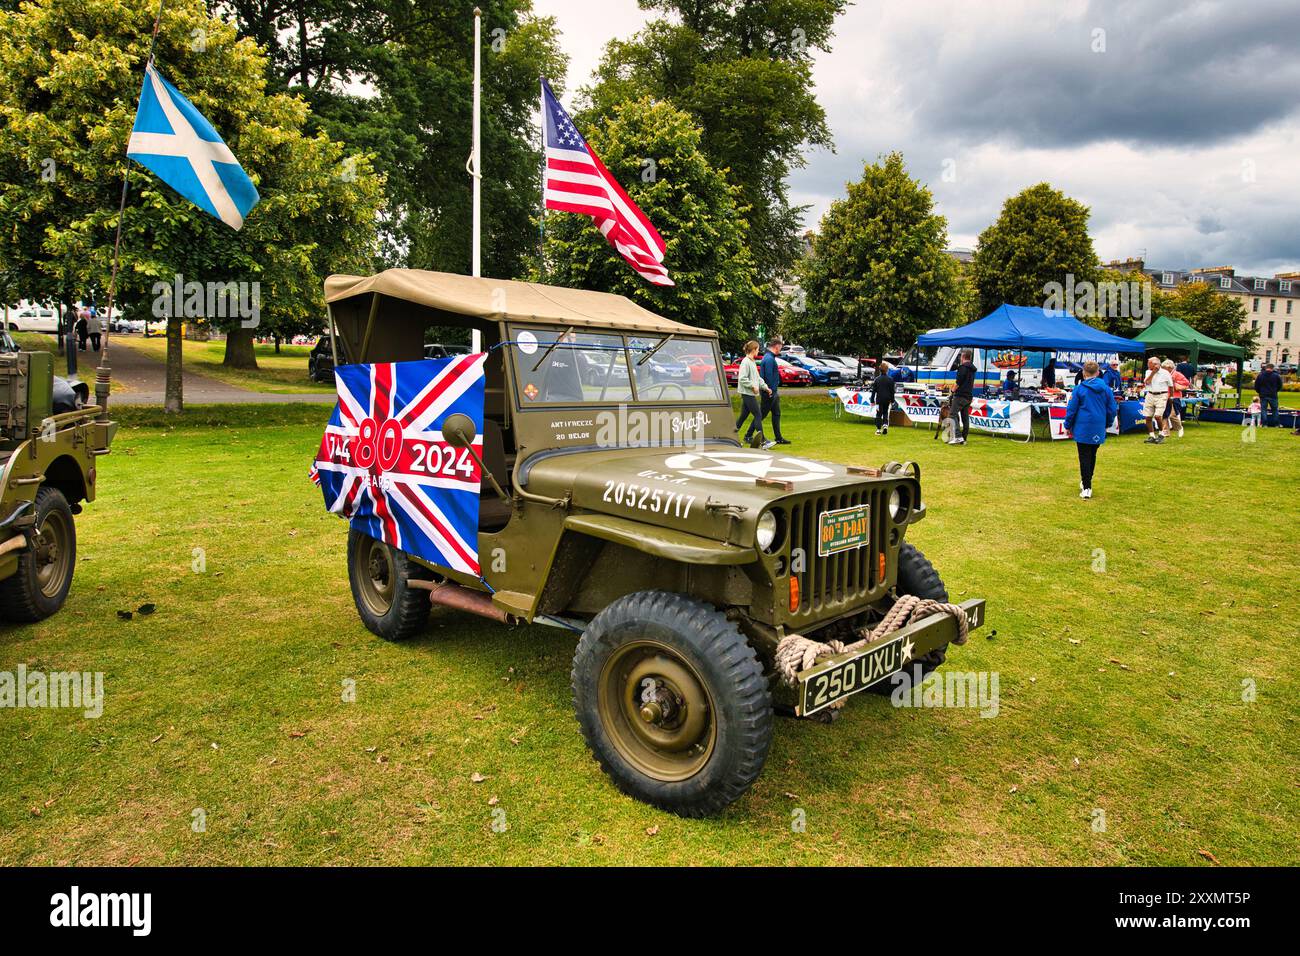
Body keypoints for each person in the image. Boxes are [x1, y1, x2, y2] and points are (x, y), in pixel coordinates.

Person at [1064, 360, 1118, 499]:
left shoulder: (1079, 389)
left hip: (1083, 425)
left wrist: (1067, 425)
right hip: (1098, 425)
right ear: (1098, 372)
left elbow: (1071, 409)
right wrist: (1107, 423)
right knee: (1092, 455)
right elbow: (1112, 409)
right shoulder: (1106, 389)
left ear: (1083, 373)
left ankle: (1087, 486)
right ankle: (1086, 482)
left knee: (1084, 456)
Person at [735, 340, 773, 449]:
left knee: (742, 417)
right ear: (753, 350)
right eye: (757, 349)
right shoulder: (745, 362)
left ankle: (730, 438)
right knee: (758, 414)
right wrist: (752, 386)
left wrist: (765, 388)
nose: (758, 351)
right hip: (747, 393)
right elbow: (742, 379)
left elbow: (757, 378)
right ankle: (763, 441)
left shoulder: (751, 362)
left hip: (750, 393)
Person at [758, 336, 789, 445]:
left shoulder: (768, 357)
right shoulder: (769, 359)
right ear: (776, 347)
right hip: (770, 392)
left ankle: (778, 437)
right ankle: (748, 434)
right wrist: (770, 390)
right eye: (780, 348)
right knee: (761, 414)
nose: (780, 350)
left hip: (772, 391)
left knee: (776, 413)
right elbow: (769, 376)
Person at [1142, 355, 1172, 444]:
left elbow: (1171, 386)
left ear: (1155, 364)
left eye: (1149, 364)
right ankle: (1151, 436)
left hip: (1161, 395)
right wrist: (1153, 372)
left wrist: (1171, 397)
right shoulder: (1148, 372)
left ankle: (1161, 434)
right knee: (1148, 416)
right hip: (1150, 394)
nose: (1148, 365)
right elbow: (1147, 382)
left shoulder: (1165, 373)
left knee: (1158, 416)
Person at [948, 349, 975, 445]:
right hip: (968, 396)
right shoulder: (972, 369)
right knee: (965, 417)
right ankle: (964, 438)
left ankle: (957, 436)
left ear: (963, 357)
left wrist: (952, 391)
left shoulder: (963, 368)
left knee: (952, 414)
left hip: (960, 396)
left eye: (960, 357)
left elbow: (958, 382)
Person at [1161, 358, 1191, 438]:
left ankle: (1180, 428)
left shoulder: (1177, 374)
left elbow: (1186, 383)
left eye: (1164, 367)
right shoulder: (1164, 374)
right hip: (1165, 396)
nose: (1163, 369)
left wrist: (1175, 383)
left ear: (1169, 367)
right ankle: (1165, 431)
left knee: (1172, 415)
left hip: (1175, 396)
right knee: (1164, 415)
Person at [1253, 362, 1282, 427]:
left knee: (1263, 410)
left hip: (1263, 394)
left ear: (1266, 368)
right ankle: (1276, 424)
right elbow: (1280, 385)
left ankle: (1265, 424)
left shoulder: (1260, 375)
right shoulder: (1276, 376)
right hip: (1273, 395)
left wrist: (1259, 392)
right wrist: (1276, 391)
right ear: (1272, 368)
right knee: (1275, 410)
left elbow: (1256, 385)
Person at [871, 361, 896, 435]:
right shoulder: (890, 379)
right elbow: (892, 391)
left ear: (880, 370)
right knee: (885, 412)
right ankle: (885, 425)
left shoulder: (877, 379)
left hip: (879, 400)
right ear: (887, 370)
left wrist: (872, 400)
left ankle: (878, 429)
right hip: (887, 400)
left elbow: (873, 391)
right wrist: (892, 400)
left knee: (878, 414)